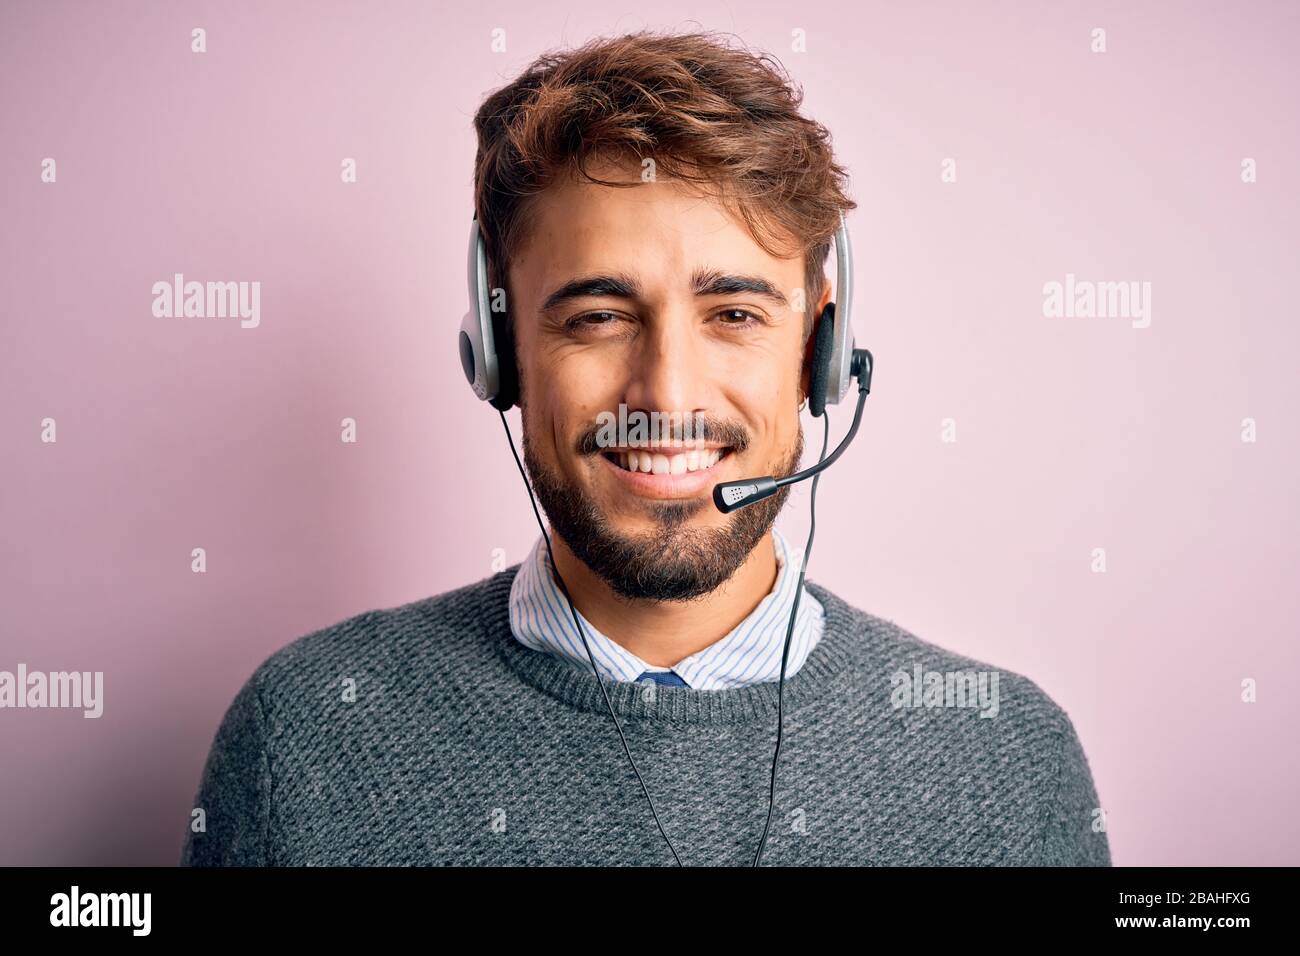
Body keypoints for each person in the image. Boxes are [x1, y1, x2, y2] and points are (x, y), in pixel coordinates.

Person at [181, 29, 1110, 867]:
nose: (665, 393)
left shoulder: (1004, 758)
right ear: (500, 355)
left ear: (821, 355)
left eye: (734, 314)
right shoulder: (305, 731)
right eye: (598, 315)